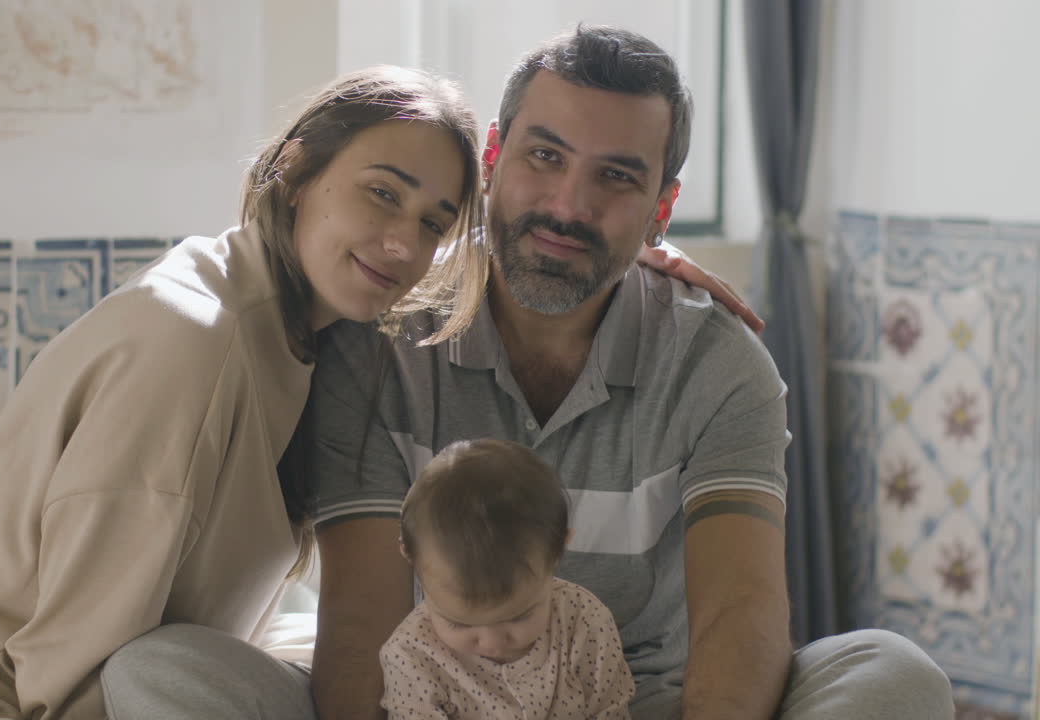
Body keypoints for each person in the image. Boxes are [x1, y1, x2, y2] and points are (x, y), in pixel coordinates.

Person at [0, 65, 490, 720]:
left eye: (433, 222)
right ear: (294, 170)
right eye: (382, 193)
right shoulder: (195, 343)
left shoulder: (302, 335)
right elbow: (74, 665)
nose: (403, 243)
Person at [303, 26, 956, 720]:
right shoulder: (378, 347)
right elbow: (357, 630)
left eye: (616, 177)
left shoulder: (719, 364)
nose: (568, 206)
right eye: (545, 155)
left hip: (649, 705)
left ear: (661, 210)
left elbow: (738, 619)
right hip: (434, 705)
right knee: (192, 668)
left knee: (896, 675)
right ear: (491, 158)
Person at [381, 438, 633, 720]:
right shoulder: (411, 656)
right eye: (459, 623)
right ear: (413, 563)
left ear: (557, 551)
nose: (492, 644)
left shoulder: (585, 623)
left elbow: (610, 711)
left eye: (519, 617)